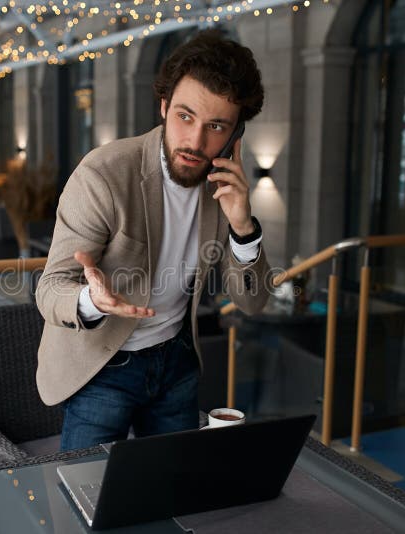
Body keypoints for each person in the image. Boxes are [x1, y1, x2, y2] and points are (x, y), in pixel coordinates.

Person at [36, 30, 271, 451]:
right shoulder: (104, 175)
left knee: (171, 493)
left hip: (175, 363)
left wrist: (242, 225)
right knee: (85, 498)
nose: (195, 142)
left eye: (215, 126)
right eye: (184, 117)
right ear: (163, 106)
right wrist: (93, 301)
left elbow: (253, 302)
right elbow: (50, 289)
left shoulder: (222, 189)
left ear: (236, 135)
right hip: (103, 364)